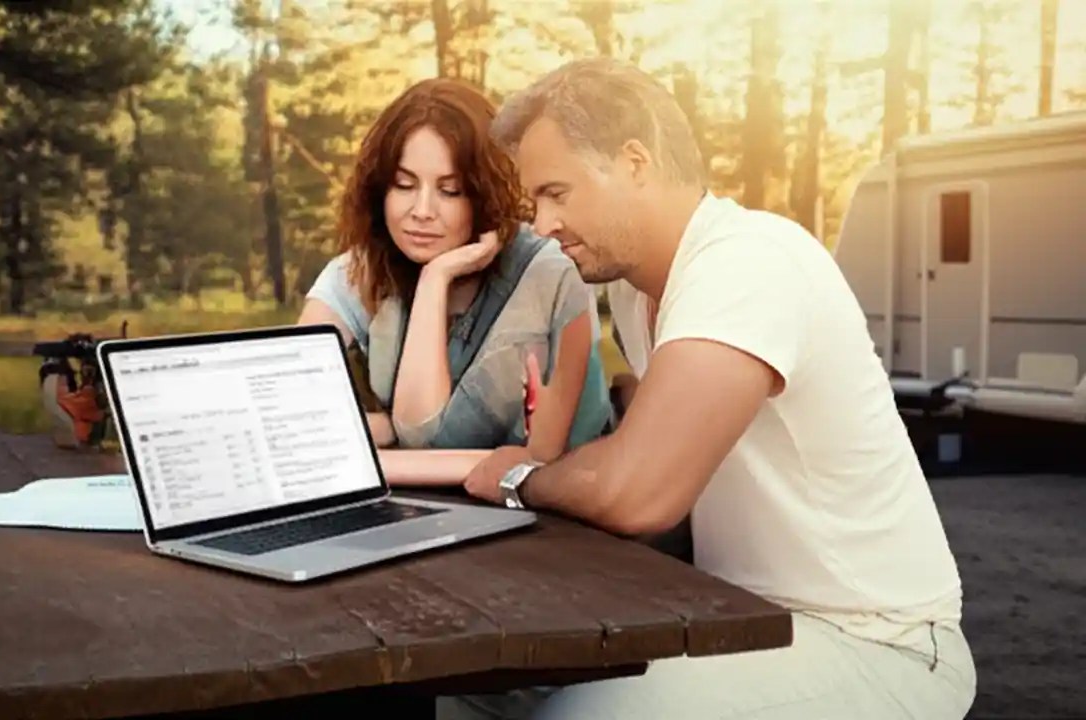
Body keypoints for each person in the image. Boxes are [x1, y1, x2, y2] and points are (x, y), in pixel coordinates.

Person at [447, 58, 977, 719]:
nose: (543, 224)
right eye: (536, 202)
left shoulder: (746, 262)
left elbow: (636, 491)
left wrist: (519, 477)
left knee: (578, 719)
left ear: (635, 162)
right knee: (471, 694)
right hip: (744, 621)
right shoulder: (634, 287)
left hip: (877, 641)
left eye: (557, 192)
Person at [299, 77, 614, 483]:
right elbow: (297, 422)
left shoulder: (552, 269)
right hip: (426, 506)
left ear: (484, 194)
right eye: (404, 185)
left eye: (450, 190)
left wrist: (373, 450)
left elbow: (537, 458)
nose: (422, 210)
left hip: (557, 509)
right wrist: (435, 281)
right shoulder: (359, 271)